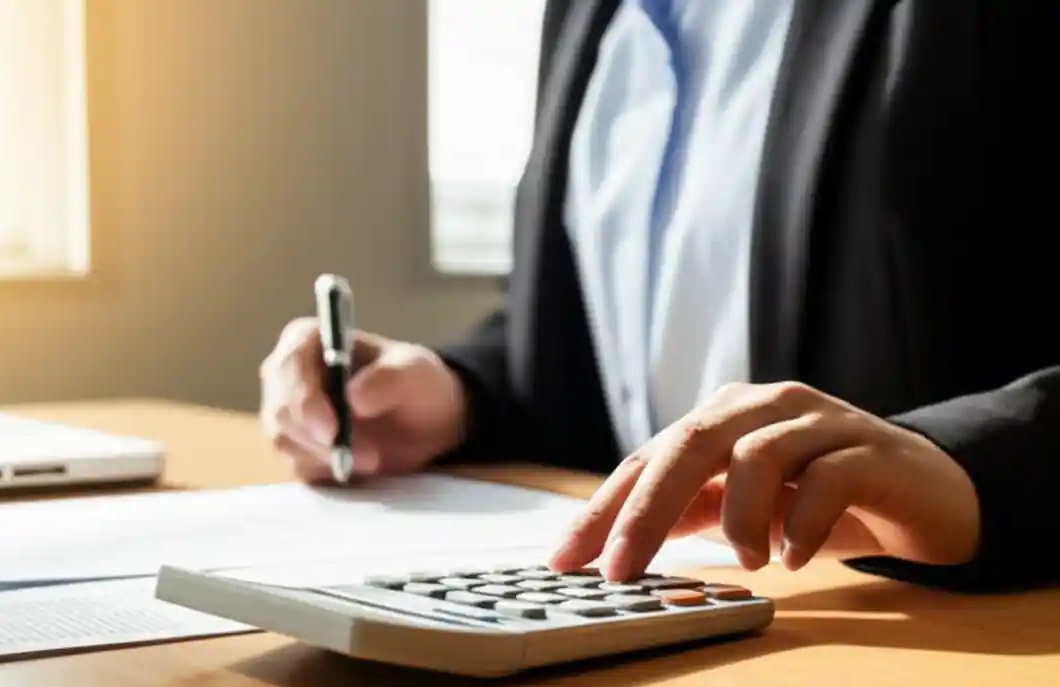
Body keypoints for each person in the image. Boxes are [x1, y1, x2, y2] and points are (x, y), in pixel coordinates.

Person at [260, 0, 1060, 592]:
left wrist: (969, 463)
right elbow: (624, 325)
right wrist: (463, 392)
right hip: (661, 626)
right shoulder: (591, 14)